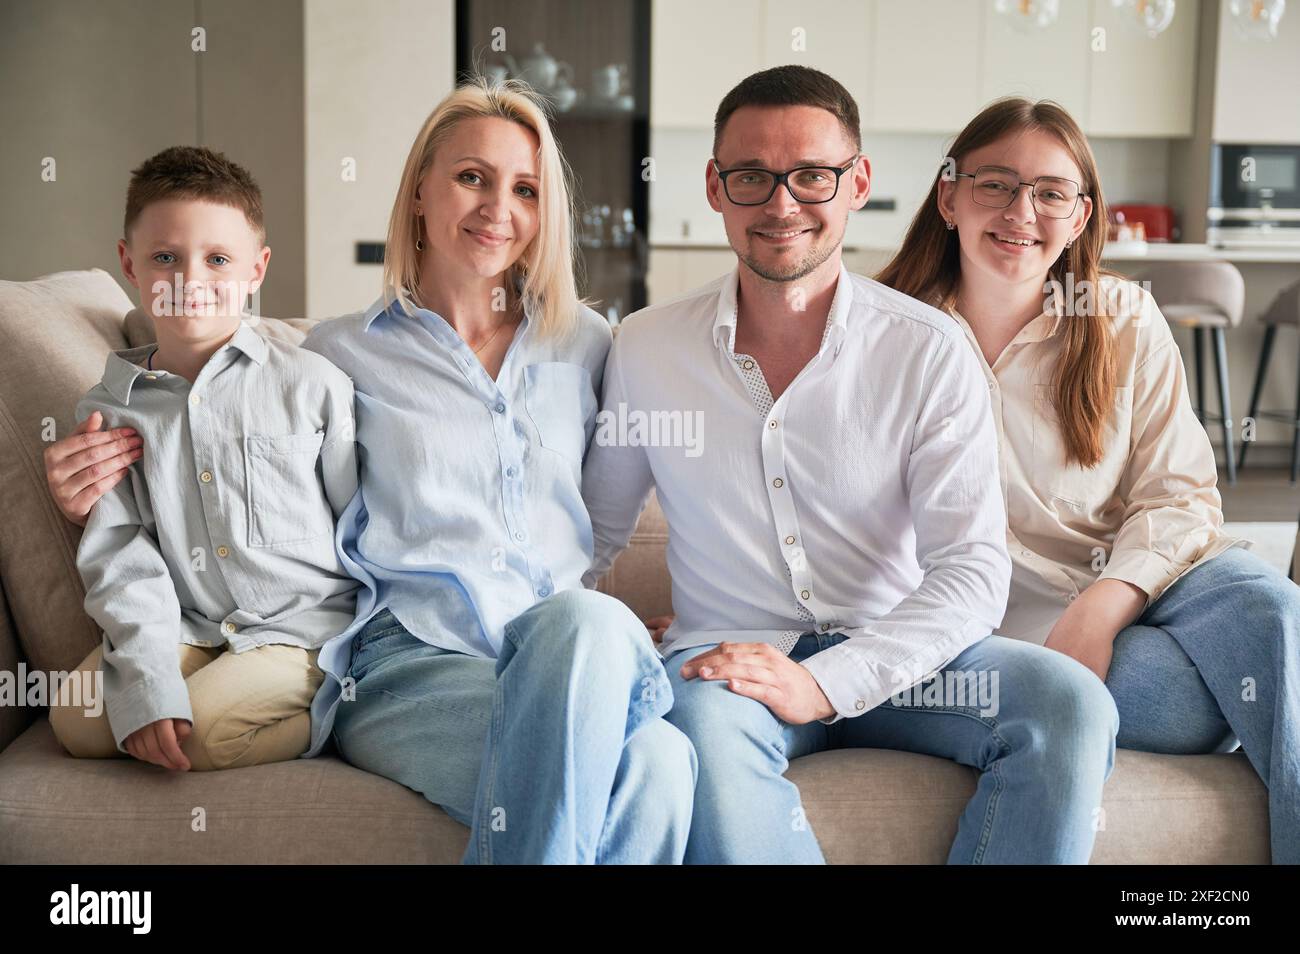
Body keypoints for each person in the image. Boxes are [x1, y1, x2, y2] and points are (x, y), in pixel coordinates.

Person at [43, 80, 697, 865]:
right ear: (420, 187)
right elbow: (205, 393)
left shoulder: (589, 343)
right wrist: (87, 471)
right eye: (471, 177)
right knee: (657, 762)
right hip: (408, 669)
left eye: (525, 189)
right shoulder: (334, 357)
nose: (499, 208)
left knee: (590, 633)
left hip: (559, 652)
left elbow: (607, 515)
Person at [582, 66, 1120, 864]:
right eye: (752, 177)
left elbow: (971, 571)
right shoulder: (646, 347)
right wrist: (598, 640)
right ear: (714, 186)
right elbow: (589, 534)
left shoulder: (930, 350)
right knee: (700, 739)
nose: (781, 203)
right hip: (729, 665)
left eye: (812, 176)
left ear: (857, 181)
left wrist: (830, 681)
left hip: (906, 659)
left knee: (1070, 704)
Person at [876, 96, 1300, 863]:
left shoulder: (1123, 318)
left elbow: (1177, 497)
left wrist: (1103, 608)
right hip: (989, 639)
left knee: (1276, 612)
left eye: (1050, 193)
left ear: (1080, 216)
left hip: (1129, 599)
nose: (1021, 212)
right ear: (948, 195)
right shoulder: (885, 331)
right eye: (995, 184)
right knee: (1190, 701)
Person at [48, 145, 355, 772]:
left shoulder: (313, 384)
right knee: (75, 719)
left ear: (257, 268)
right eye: (166, 258)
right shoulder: (107, 411)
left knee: (204, 732)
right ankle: (187, 690)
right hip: (190, 624)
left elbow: (363, 521)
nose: (190, 282)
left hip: (301, 632)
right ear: (128, 262)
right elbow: (121, 557)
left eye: (218, 259)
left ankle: (337, 715)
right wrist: (149, 682)